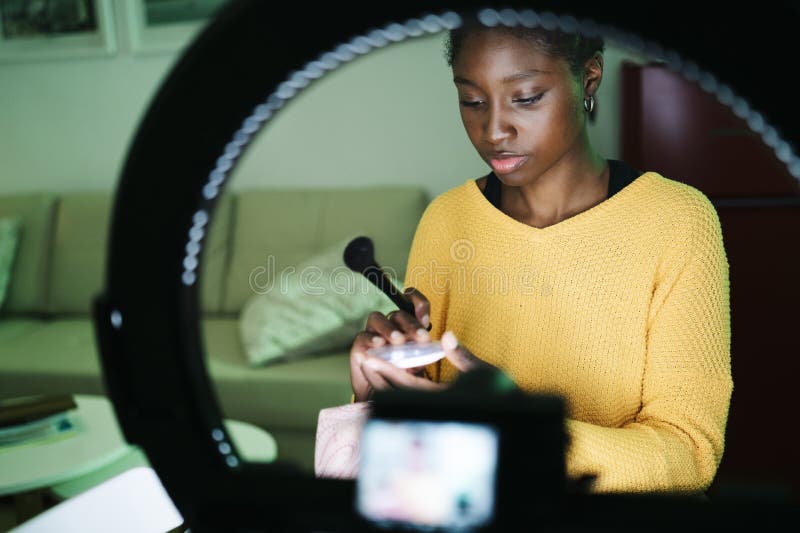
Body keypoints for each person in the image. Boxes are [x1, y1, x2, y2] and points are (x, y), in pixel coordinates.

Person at [348, 15, 732, 495]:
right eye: (471, 100)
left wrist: (526, 432)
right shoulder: (447, 220)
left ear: (588, 77)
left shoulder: (678, 220)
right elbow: (421, 446)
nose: (493, 130)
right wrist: (378, 394)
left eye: (526, 98)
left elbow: (690, 453)